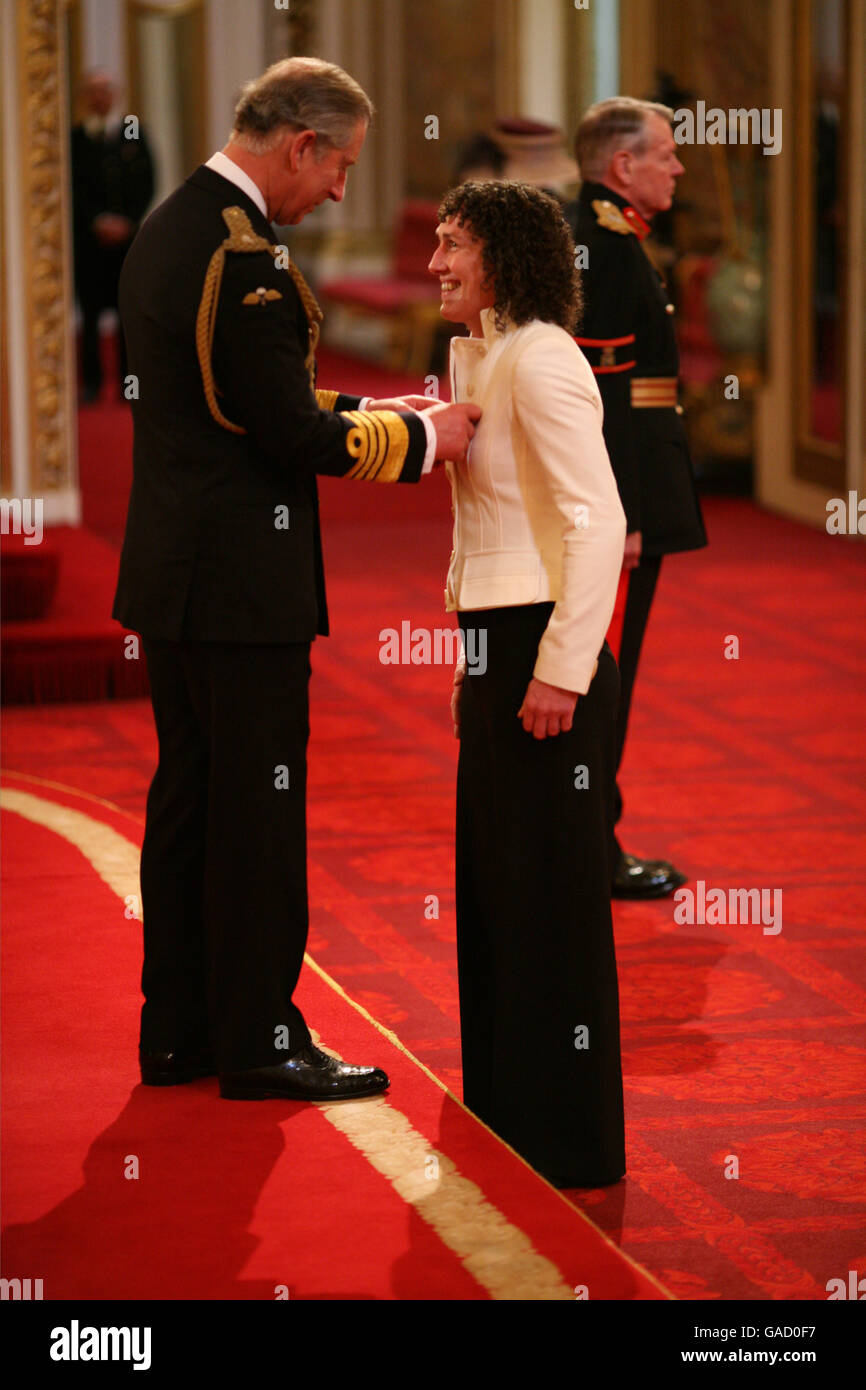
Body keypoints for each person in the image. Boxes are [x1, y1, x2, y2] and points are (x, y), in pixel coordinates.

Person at [113, 57, 480, 1102]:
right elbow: (285, 429)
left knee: (190, 803)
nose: (337, 191)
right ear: (300, 143)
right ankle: (262, 1037)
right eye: (338, 167)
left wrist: (388, 416)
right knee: (258, 817)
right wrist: (423, 442)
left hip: (174, 575)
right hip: (240, 587)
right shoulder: (246, 259)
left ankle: (181, 1030)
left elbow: (247, 388)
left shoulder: (173, 224)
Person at [429, 181, 628, 1187]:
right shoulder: (483, 351)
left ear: (500, 257)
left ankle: (566, 1137)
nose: (433, 261)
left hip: (540, 646)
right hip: (491, 640)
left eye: (452, 243)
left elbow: (597, 526)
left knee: (548, 891)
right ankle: (507, 1107)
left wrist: (560, 670)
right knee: (497, 881)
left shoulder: (542, 358)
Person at [565, 97, 708, 900]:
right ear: (624, 167)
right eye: (667, 154)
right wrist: (624, 514)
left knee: (603, 675)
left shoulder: (605, 240)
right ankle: (593, 846)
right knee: (603, 677)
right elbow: (601, 401)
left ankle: (591, 836)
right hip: (618, 507)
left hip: (624, 498)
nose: (678, 168)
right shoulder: (607, 249)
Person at [71, 69, 155, 402]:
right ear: (84, 98)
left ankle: (128, 386)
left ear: (116, 94)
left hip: (126, 243)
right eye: (93, 91)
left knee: (127, 316)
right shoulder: (76, 137)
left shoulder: (132, 130)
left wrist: (127, 222)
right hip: (90, 244)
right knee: (89, 316)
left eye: (105, 90)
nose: (100, 97)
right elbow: (70, 188)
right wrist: (96, 221)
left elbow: (147, 179)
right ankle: (90, 386)